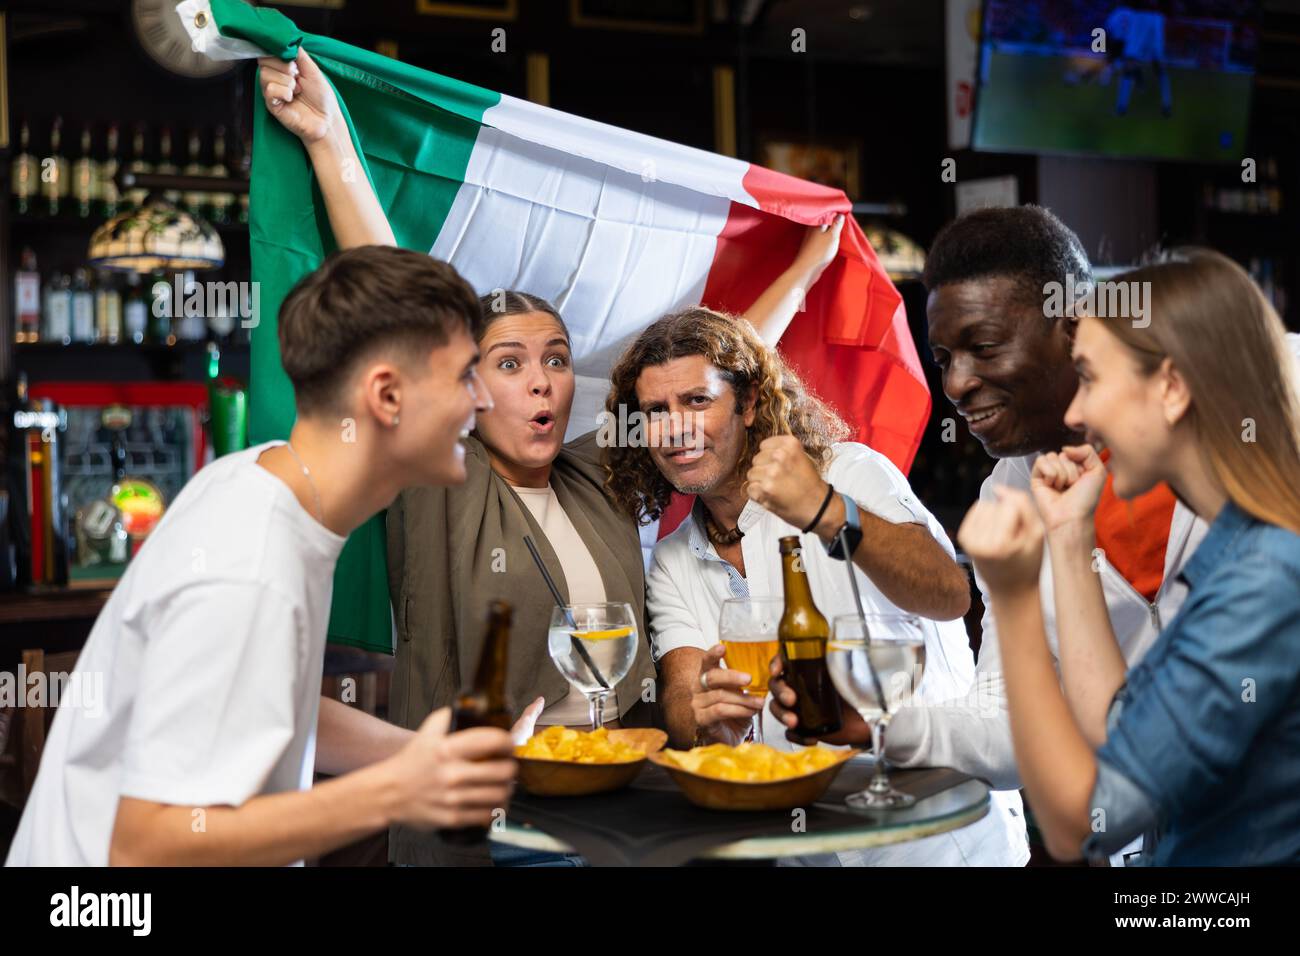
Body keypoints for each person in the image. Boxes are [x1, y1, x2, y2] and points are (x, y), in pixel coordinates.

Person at [256, 48, 845, 866]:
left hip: (629, 814)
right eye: (510, 364)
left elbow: (715, 378)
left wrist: (808, 268)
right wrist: (329, 141)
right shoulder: (439, 475)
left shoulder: (597, 470)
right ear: (460, 383)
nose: (542, 383)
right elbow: (393, 290)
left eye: (558, 359)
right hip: (495, 822)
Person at [770, 205, 1299, 865]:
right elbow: (1092, 728)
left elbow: (1086, 809)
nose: (956, 384)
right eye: (942, 357)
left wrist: (1019, 595)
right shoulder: (1022, 493)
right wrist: (881, 725)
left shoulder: (1264, 543)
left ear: (1072, 329)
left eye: (985, 346)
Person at [5, 243, 519, 867]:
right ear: (385, 396)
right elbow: (142, 843)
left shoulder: (266, 480)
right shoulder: (252, 562)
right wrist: (397, 791)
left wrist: (428, 759)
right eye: (466, 374)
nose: (485, 400)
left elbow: (274, 705)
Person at [606, 308, 1031, 865]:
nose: (675, 428)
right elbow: (685, 704)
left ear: (750, 401)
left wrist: (827, 511)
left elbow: (949, 593)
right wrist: (707, 711)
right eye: (656, 411)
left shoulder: (849, 473)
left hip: (939, 841)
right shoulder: (671, 560)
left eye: (697, 401)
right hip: (805, 851)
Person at [958, 248, 1300, 864]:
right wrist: (1068, 537)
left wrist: (1012, 600)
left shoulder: (1266, 577)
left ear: (1170, 388)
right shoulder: (1242, 547)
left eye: (1089, 377)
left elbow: (1082, 822)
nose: (1075, 413)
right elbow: (1119, 732)